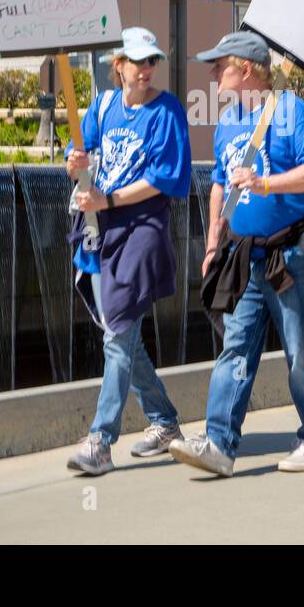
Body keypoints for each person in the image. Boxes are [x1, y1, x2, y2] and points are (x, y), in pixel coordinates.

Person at [168, 31, 304, 478]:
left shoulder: (292, 113)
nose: (213, 73)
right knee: (235, 347)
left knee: (299, 349)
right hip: (243, 255)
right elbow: (218, 184)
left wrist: (267, 183)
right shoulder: (228, 121)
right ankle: (219, 443)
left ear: (246, 70)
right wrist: (213, 244)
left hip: (290, 256)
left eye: (220, 66)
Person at [64, 27, 192, 475]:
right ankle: (165, 422)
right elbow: (75, 157)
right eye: (138, 61)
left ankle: (100, 441)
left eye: (152, 60)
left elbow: (164, 179)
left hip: (140, 231)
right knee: (122, 335)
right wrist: (75, 167)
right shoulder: (101, 106)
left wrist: (109, 200)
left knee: (117, 334)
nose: (147, 69)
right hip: (100, 230)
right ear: (118, 65)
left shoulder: (168, 111)